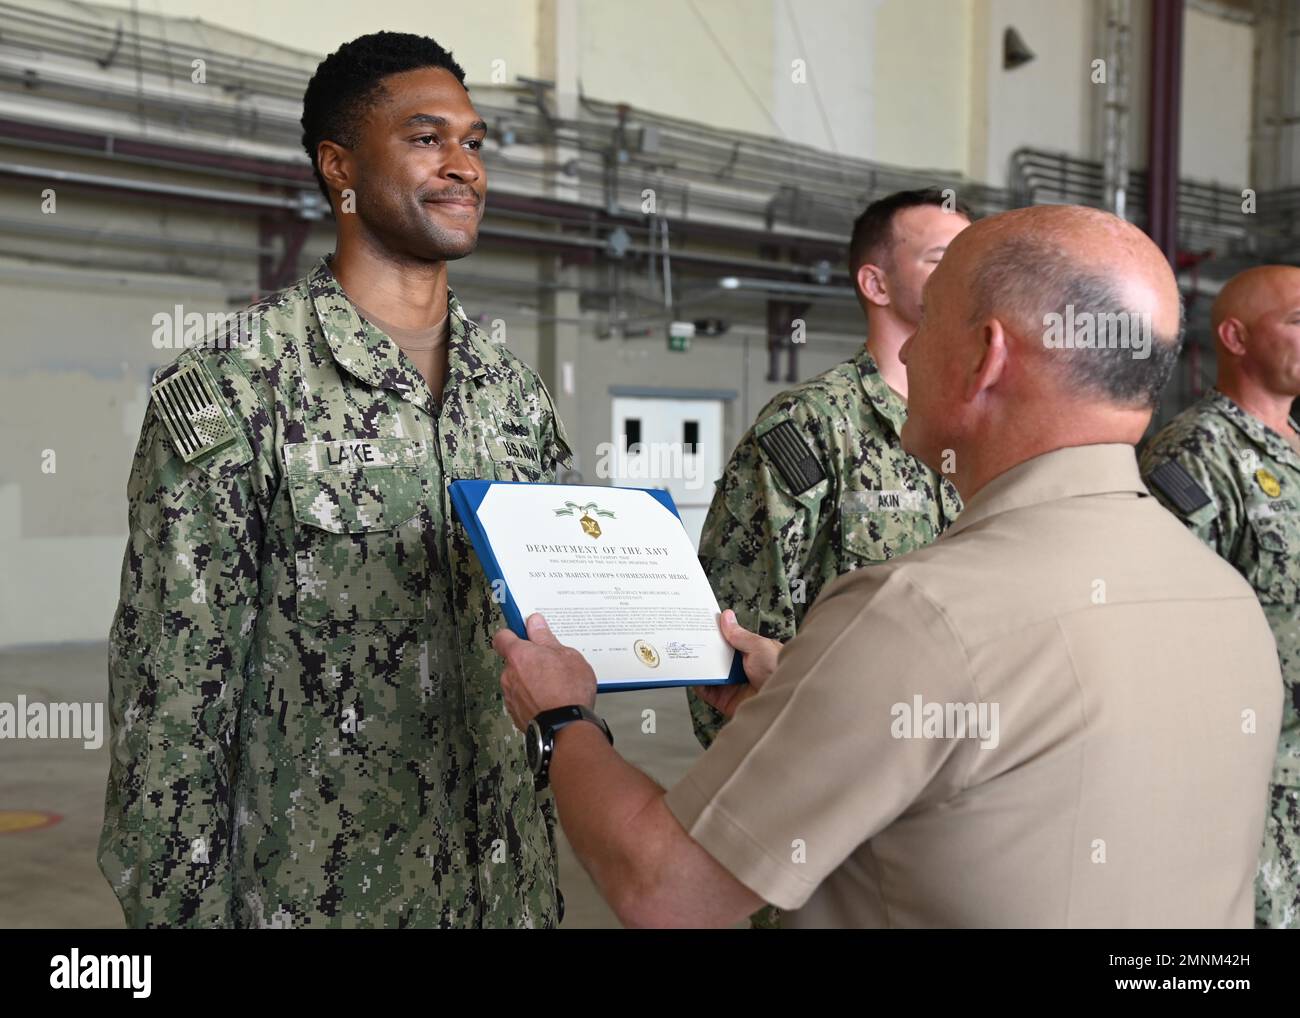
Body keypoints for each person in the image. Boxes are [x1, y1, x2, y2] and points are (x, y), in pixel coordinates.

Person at [494, 205, 1282, 928]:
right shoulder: (1227, 603)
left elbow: (664, 886)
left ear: (985, 356)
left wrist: (564, 716)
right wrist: (821, 689)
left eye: (932, 320)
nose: (907, 347)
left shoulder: (918, 611)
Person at [99, 32, 570, 928]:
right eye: (427, 139)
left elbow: (552, 620)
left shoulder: (515, 397)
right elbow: (172, 701)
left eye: (473, 142)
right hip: (321, 900)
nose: (463, 166)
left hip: (504, 894)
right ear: (339, 167)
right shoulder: (235, 387)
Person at [687, 189, 968, 755]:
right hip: (836, 766)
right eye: (943, 259)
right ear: (876, 284)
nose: (968, 274)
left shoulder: (978, 423)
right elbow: (739, 633)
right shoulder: (812, 424)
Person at [1140, 264, 1300, 928]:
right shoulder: (1195, 454)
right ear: (1235, 336)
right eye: (1296, 320)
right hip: (1252, 793)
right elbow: (1163, 642)